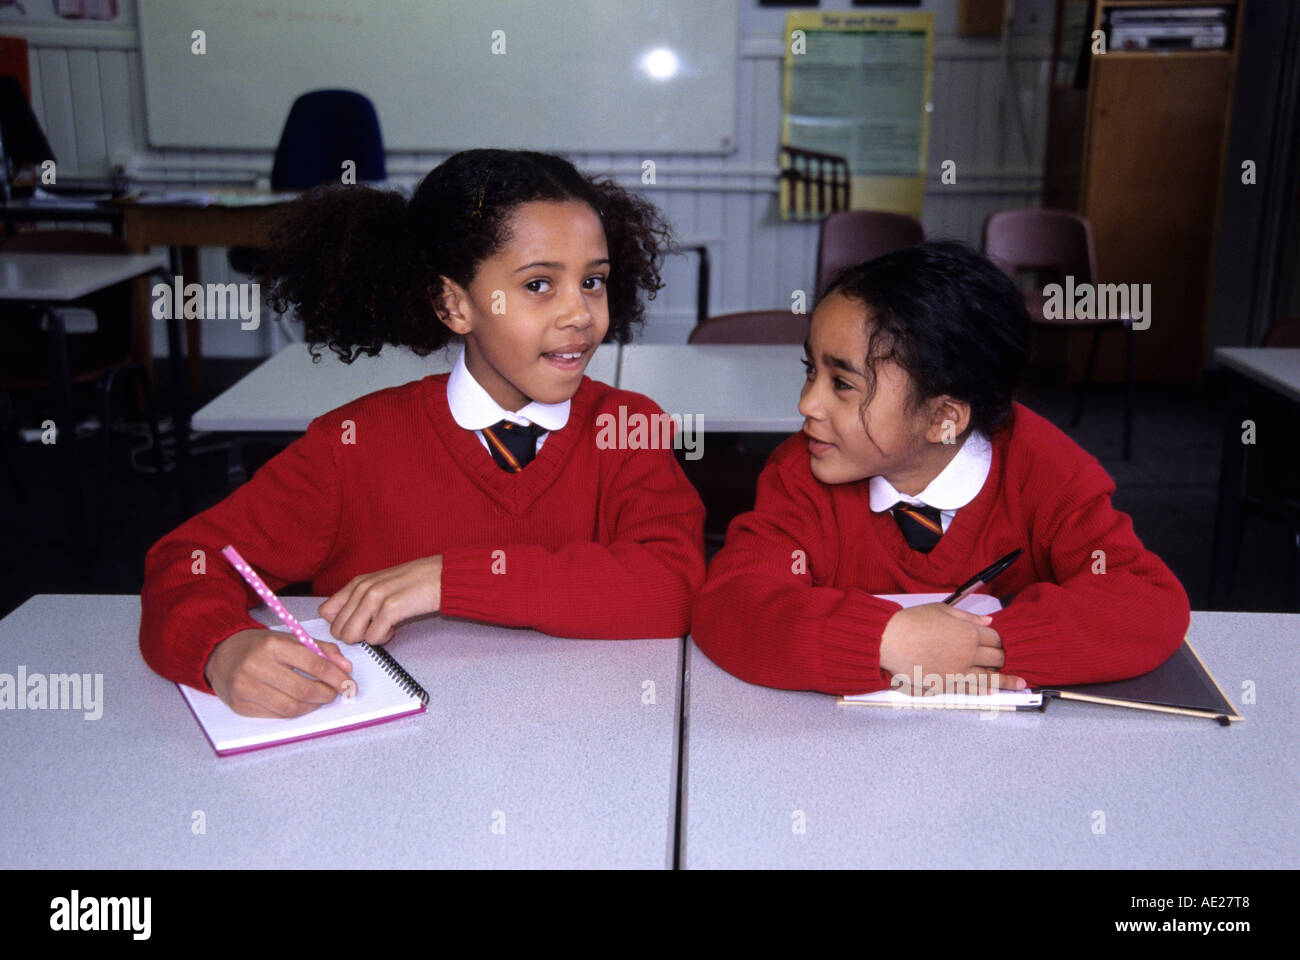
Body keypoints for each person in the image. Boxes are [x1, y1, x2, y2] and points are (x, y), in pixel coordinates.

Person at [140, 149, 705, 717]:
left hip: (575, 757)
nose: (580, 313)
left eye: (592, 281)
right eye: (538, 285)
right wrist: (221, 648)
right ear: (453, 304)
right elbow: (190, 559)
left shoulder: (627, 428)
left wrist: (449, 579)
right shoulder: (353, 444)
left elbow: (673, 587)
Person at [692, 240, 1188, 695]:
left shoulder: (1047, 471)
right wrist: (886, 639)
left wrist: (979, 646)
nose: (807, 404)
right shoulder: (802, 470)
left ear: (944, 418)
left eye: (842, 384)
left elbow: (1147, 602)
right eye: (810, 371)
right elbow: (733, 603)